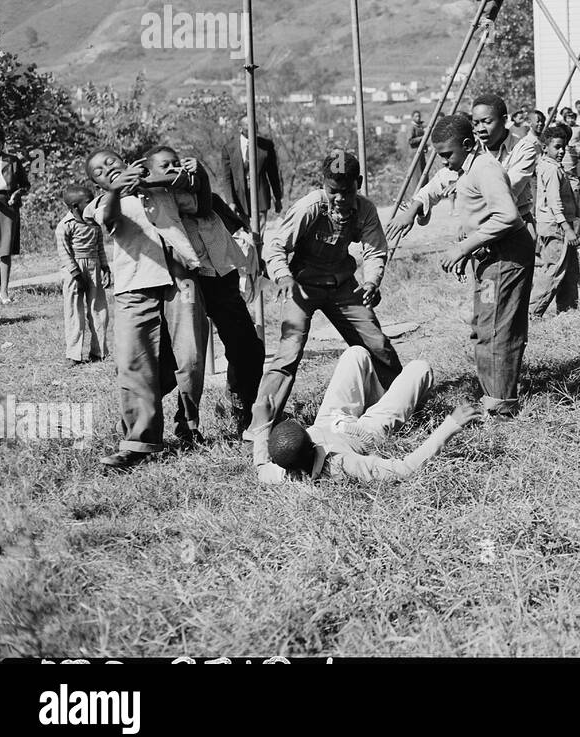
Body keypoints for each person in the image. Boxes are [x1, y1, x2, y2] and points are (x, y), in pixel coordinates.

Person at [249, 151, 401, 445]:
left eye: (347, 191)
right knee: (288, 353)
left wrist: (372, 281)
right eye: (334, 191)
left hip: (343, 287)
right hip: (302, 286)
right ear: (324, 184)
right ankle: (259, 426)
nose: (340, 199)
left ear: (358, 183)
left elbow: (374, 250)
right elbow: (275, 246)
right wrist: (283, 276)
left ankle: (394, 405)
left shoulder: (365, 210)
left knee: (377, 344)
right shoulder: (310, 206)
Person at [401, 115, 535, 419]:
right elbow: (475, 214)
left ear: (467, 144)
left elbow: (508, 217)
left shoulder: (485, 168)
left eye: (448, 154)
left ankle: (501, 407)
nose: (445, 162)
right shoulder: (465, 169)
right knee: (484, 326)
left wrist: (463, 247)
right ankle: (494, 395)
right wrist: (468, 249)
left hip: (507, 256)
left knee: (497, 328)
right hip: (490, 256)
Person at [83, 148, 205, 470]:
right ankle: (139, 443)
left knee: (190, 358)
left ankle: (188, 424)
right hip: (133, 287)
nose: (106, 169)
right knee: (134, 362)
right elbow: (107, 219)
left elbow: (199, 201)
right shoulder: (104, 202)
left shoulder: (163, 188)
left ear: (125, 161)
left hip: (182, 281)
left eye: (110, 162)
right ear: (96, 184)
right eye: (98, 172)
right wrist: (115, 189)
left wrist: (195, 173)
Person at [143, 146, 266, 440]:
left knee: (246, 347)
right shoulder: (152, 201)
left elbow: (205, 206)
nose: (174, 169)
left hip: (220, 276)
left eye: (177, 163)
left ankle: (243, 408)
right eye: (165, 165)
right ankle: (148, 420)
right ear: (150, 171)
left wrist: (197, 172)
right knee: (181, 359)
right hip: (185, 282)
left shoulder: (199, 193)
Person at [255, 345, 481, 484]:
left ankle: (382, 399)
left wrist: (263, 423)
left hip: (329, 419)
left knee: (356, 353)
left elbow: (261, 468)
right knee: (420, 368)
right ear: (312, 446)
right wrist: (450, 425)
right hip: (366, 432)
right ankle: (391, 406)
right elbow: (404, 469)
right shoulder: (341, 465)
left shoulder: (281, 472)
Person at [472, 93, 542, 237]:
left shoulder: (524, 148)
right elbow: (444, 178)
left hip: (516, 224)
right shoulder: (472, 151)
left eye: (486, 121)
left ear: (504, 120)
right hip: (481, 225)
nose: (480, 129)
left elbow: (506, 190)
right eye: (476, 123)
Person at [529, 124, 580, 317]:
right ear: (545, 147)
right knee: (554, 270)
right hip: (555, 226)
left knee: (570, 270)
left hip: (558, 224)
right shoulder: (550, 170)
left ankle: (568, 310)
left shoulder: (554, 167)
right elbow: (554, 203)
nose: (561, 151)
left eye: (563, 147)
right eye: (557, 147)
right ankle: (533, 311)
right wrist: (567, 228)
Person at [55, 184, 110, 364]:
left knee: (99, 309)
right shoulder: (65, 226)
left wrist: (105, 268)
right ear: (75, 207)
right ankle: (73, 354)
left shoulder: (94, 223)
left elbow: (100, 246)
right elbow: (64, 253)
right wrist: (76, 275)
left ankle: (99, 352)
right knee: (74, 312)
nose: (93, 205)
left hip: (93, 266)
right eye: (88, 202)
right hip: (73, 271)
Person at [220, 116, 283, 232]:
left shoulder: (266, 146)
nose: (254, 131)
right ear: (240, 129)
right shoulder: (229, 148)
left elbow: (273, 174)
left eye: (255, 128)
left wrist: (277, 197)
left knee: (259, 233)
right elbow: (226, 178)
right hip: (240, 198)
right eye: (249, 128)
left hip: (261, 195)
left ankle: (258, 250)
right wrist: (230, 202)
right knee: (246, 233)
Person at [0, 142, 30, 305]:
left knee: (4, 248)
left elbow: (25, 185)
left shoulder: (13, 161)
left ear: (2, 143)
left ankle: (4, 292)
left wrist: (17, 193)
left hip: (7, 204)